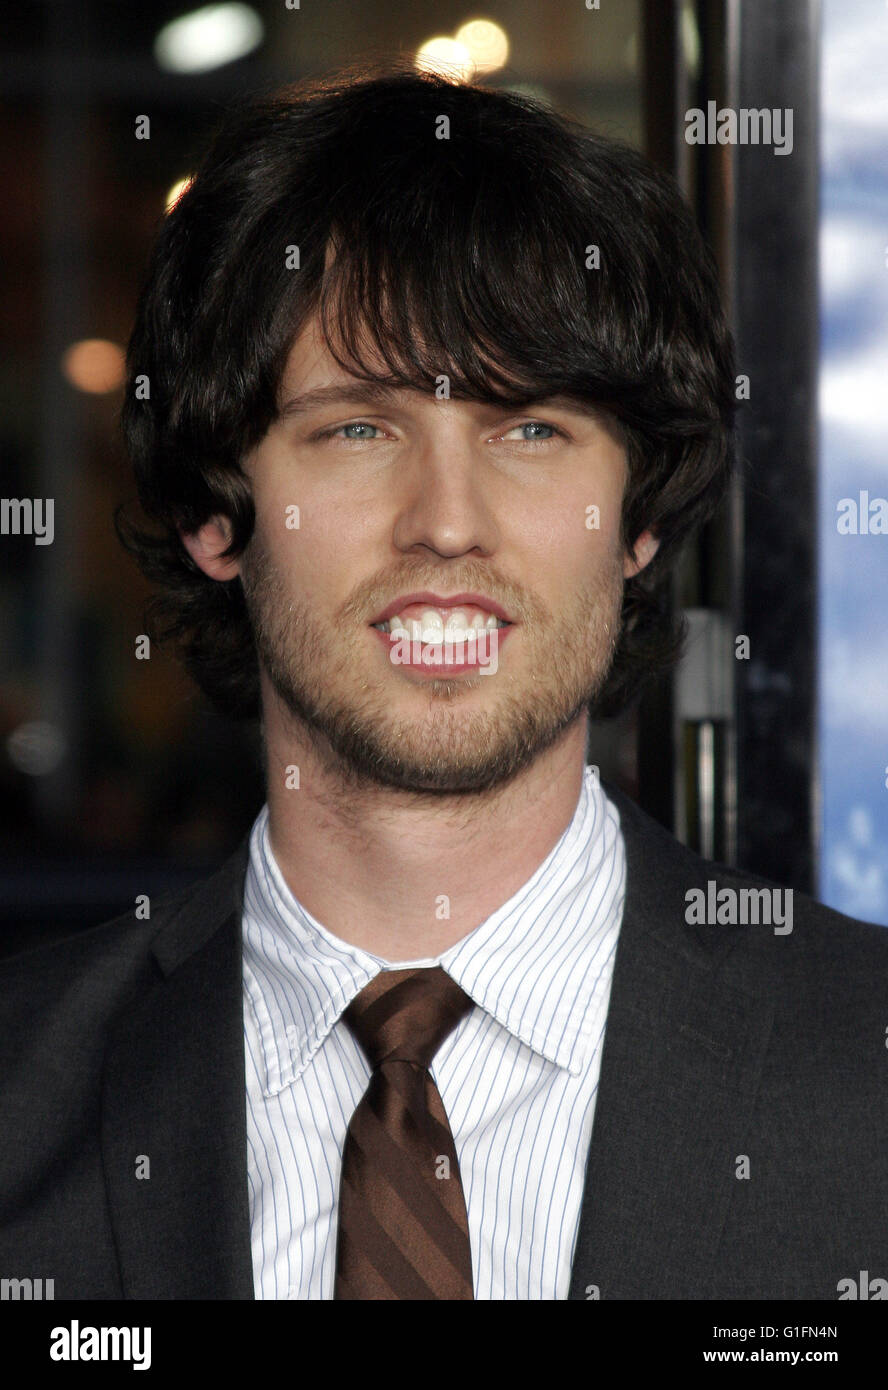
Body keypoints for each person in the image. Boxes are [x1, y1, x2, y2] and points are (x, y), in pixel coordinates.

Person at [2, 61, 887, 1302]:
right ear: (217, 512)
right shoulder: (21, 1098)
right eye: (359, 429)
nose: (448, 523)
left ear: (633, 519)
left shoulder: (868, 1076)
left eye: (531, 429)